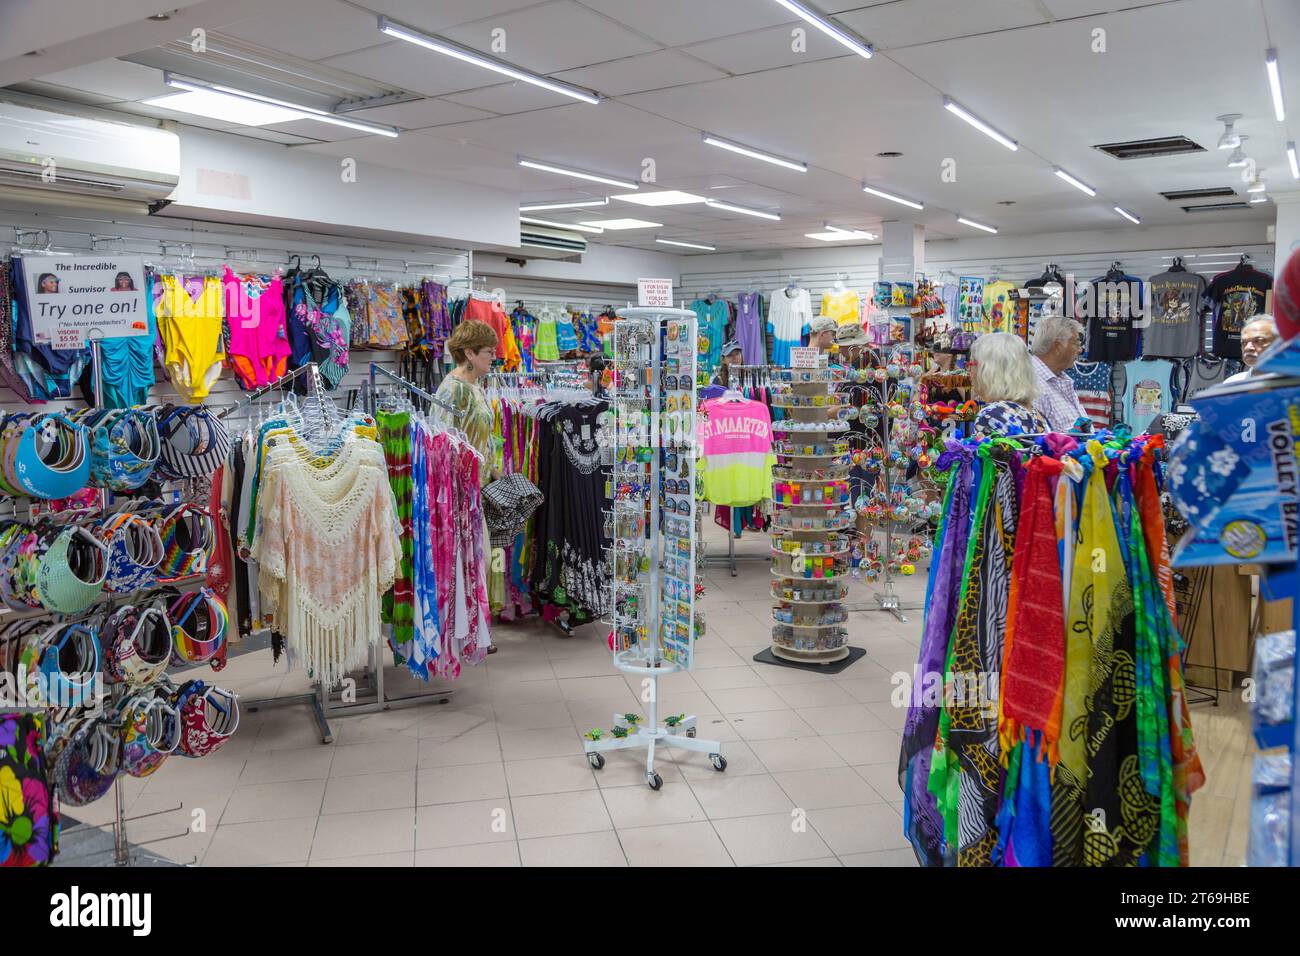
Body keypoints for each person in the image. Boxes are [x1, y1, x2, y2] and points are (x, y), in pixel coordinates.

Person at [434, 319, 500, 652]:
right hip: (459, 492)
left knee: (479, 560)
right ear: (470, 353)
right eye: (489, 352)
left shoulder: (475, 385)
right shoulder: (453, 388)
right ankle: (462, 634)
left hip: (476, 486)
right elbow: (443, 440)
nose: (493, 358)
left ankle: (474, 630)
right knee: (466, 560)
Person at [969, 332, 1049, 437]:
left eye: (971, 364)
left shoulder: (991, 415)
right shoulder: (1034, 413)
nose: (969, 370)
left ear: (989, 370)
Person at [1029, 315, 1087, 432]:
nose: (1080, 349)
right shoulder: (1032, 384)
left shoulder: (1061, 379)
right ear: (1058, 346)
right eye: (1076, 342)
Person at [1223, 315, 1279, 384]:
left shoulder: (1292, 385)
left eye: (1258, 341)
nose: (1248, 348)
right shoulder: (1231, 384)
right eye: (1244, 343)